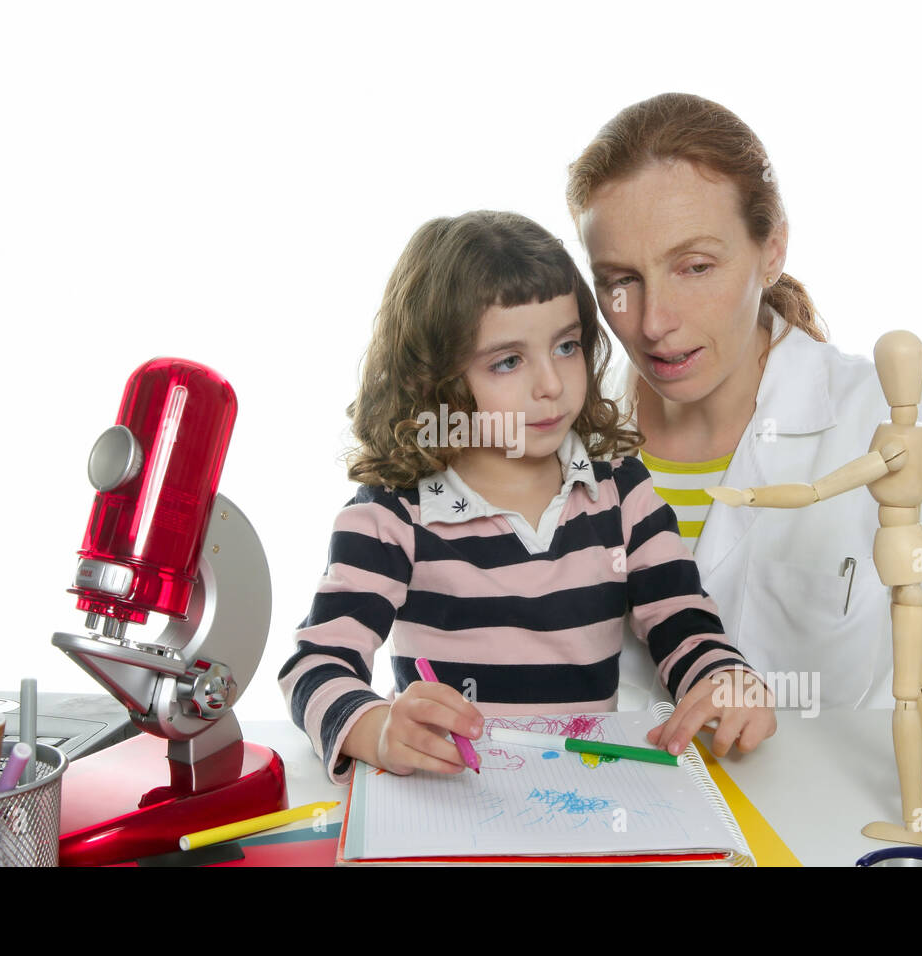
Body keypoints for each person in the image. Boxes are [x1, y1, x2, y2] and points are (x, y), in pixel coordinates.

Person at [565, 93, 922, 817]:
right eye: (620, 281)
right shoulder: (554, 430)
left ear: (772, 249)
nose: (655, 322)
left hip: (817, 841)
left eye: (695, 267)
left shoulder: (887, 427)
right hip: (585, 829)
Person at [278, 210, 776, 783]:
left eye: (566, 347)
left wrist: (724, 678)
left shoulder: (620, 488)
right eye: (508, 361)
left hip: (586, 791)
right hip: (451, 802)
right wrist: (375, 727)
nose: (552, 384)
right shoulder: (393, 513)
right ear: (432, 379)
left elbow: (681, 617)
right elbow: (315, 663)